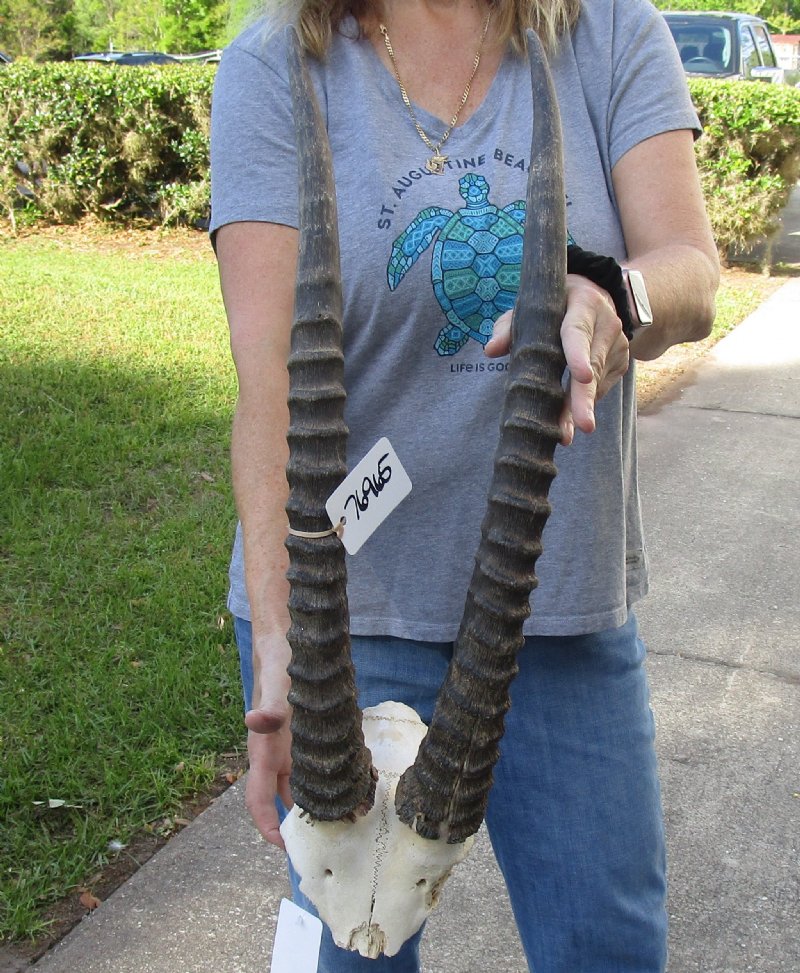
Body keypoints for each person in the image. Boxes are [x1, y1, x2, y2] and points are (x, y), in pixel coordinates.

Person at [210, 1, 719, 970]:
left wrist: (615, 293)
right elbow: (267, 385)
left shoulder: (607, 30)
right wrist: (279, 648)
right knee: (356, 945)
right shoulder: (276, 61)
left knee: (604, 948)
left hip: (556, 611)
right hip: (339, 620)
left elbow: (689, 271)